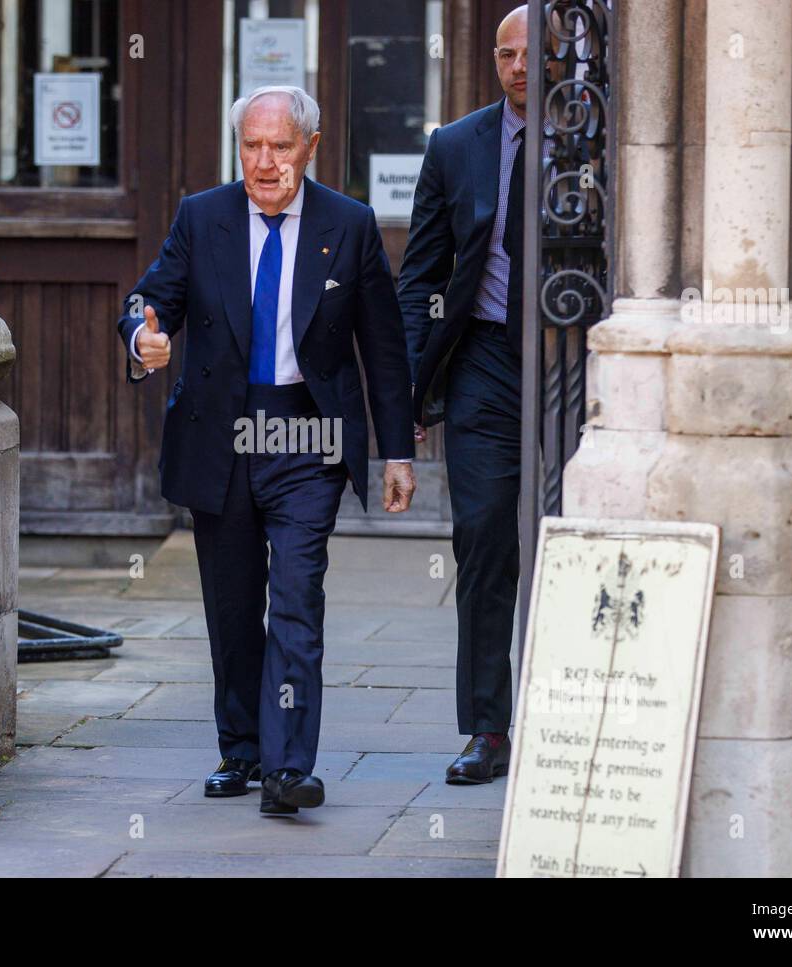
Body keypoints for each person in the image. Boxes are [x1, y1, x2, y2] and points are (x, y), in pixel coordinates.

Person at [117, 85, 416, 814]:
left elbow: (382, 346)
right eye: (252, 146)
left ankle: (288, 767)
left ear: (311, 148)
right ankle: (241, 749)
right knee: (231, 600)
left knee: (295, 598)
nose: (265, 161)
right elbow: (147, 301)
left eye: (281, 146)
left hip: (307, 432)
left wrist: (397, 452)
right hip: (221, 432)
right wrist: (141, 337)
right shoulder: (203, 216)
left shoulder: (347, 224)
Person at [398, 6, 545, 784]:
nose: (521, 66)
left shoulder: (602, 139)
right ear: (494, 62)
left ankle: (570, 716)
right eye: (508, 53)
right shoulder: (455, 147)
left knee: (569, 537)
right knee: (485, 537)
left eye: (535, 52)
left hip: (573, 360)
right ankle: (489, 729)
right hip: (484, 361)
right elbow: (418, 274)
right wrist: (410, 390)